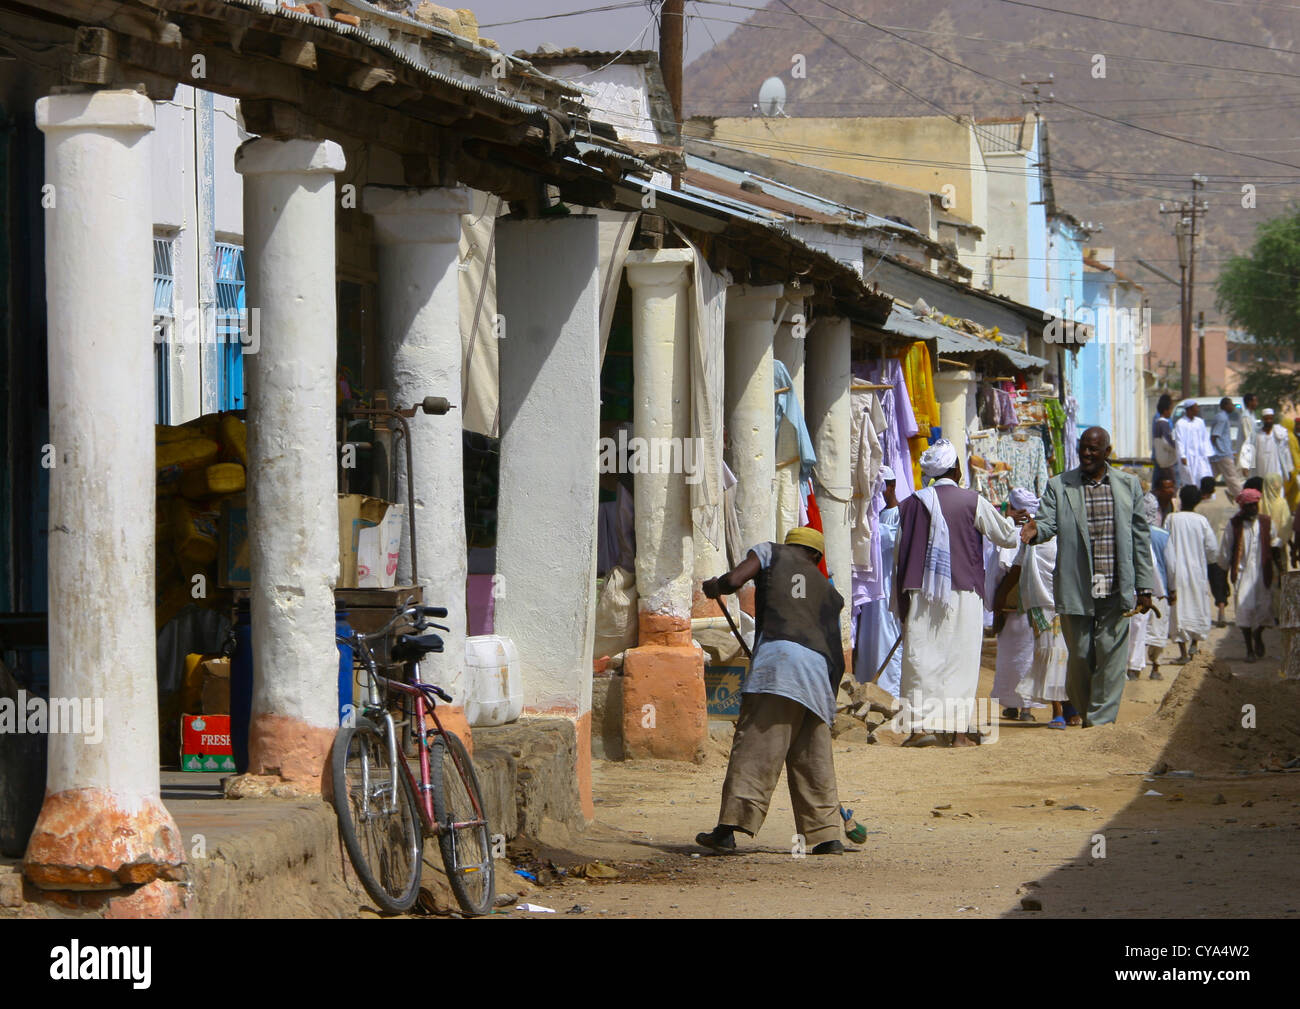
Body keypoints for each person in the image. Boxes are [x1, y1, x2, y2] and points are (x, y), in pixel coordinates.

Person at [696, 527, 846, 855]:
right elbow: (837, 656)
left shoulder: (770, 552)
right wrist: (827, 702)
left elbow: (736, 581)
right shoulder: (829, 591)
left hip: (778, 666)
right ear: (817, 557)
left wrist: (715, 587)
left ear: (791, 546)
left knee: (755, 747)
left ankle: (727, 829)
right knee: (813, 758)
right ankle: (827, 834)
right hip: (818, 677)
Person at [893, 439, 1026, 747]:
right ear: (955, 468)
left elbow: (899, 553)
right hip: (964, 593)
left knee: (921, 661)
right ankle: (959, 734)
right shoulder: (972, 500)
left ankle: (918, 730)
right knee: (960, 662)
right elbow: (1006, 538)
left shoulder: (911, 503)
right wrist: (1017, 524)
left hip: (921, 593)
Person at [1021, 427, 1155, 726]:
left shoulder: (1127, 485)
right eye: (1083, 447)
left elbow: (1139, 538)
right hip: (1076, 586)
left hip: (1116, 584)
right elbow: (1046, 522)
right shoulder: (1060, 485)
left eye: (1094, 449)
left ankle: (1101, 721)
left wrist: (1145, 586)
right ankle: (1085, 709)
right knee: (1080, 655)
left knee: (1110, 655)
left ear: (1107, 452)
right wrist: (1035, 531)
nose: (1086, 453)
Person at [989, 488, 1047, 722]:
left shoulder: (1010, 536)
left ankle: (1018, 706)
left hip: (1012, 606)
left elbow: (1000, 573)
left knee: (1011, 658)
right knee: (1027, 656)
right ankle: (1021, 708)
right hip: (1035, 606)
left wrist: (996, 602)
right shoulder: (1043, 535)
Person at [853, 467, 903, 695]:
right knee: (870, 641)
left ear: (891, 487)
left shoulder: (902, 514)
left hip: (889, 587)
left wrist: (873, 529)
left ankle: (890, 692)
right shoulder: (878, 516)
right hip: (873, 591)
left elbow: (894, 541)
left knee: (888, 637)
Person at [1219, 488, 1281, 662]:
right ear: (1242, 507)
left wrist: (1281, 571)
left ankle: (1258, 634)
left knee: (1265, 609)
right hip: (1242, 574)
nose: (1253, 509)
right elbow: (1225, 552)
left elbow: (1275, 545)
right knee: (1244, 611)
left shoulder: (1266, 522)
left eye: (1255, 505)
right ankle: (1249, 650)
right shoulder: (1234, 524)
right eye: (1249, 506)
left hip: (1263, 573)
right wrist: (1224, 577)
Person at [1165, 483, 1219, 665]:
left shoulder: (1171, 519)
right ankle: (1195, 642)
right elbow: (1212, 548)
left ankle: (1183, 653)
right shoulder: (1201, 521)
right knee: (1197, 604)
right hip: (1197, 572)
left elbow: (1165, 544)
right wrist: (1210, 561)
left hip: (1176, 572)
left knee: (1178, 609)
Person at [1208, 397, 1244, 502]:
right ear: (1225, 406)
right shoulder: (1222, 418)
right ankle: (1243, 499)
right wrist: (1214, 450)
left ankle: (1200, 493)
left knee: (1210, 477)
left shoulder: (1222, 417)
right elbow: (1215, 435)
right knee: (1232, 478)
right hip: (1223, 454)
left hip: (1218, 454)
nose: (1232, 406)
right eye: (1231, 404)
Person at [1175, 400, 1213, 490]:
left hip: (1200, 455)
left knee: (1203, 474)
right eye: (1196, 407)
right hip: (1188, 456)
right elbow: (1179, 441)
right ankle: (1192, 495)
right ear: (1190, 409)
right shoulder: (1180, 423)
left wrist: (1207, 453)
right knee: (1190, 478)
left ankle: (1202, 494)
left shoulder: (1199, 422)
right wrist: (1182, 456)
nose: (1198, 409)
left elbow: (1205, 438)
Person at [1251, 408, 1293, 483]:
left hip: (1276, 468)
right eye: (1266, 419)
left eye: (1270, 418)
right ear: (1263, 419)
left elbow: (1286, 451)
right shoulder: (1257, 435)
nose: (1268, 421)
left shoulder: (1279, 433)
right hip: (1261, 468)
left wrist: (1289, 469)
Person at [1152, 394, 1178, 487]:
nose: (1171, 411)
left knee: (1161, 480)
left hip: (1162, 456)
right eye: (1171, 408)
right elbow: (1166, 441)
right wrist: (1175, 449)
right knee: (1169, 482)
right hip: (1165, 457)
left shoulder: (1161, 421)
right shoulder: (1162, 422)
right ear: (1166, 410)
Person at [1238, 393, 1259, 474]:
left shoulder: (1252, 415)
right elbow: (1247, 439)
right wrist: (1245, 464)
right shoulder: (1246, 417)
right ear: (1249, 402)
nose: (1257, 403)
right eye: (1255, 401)